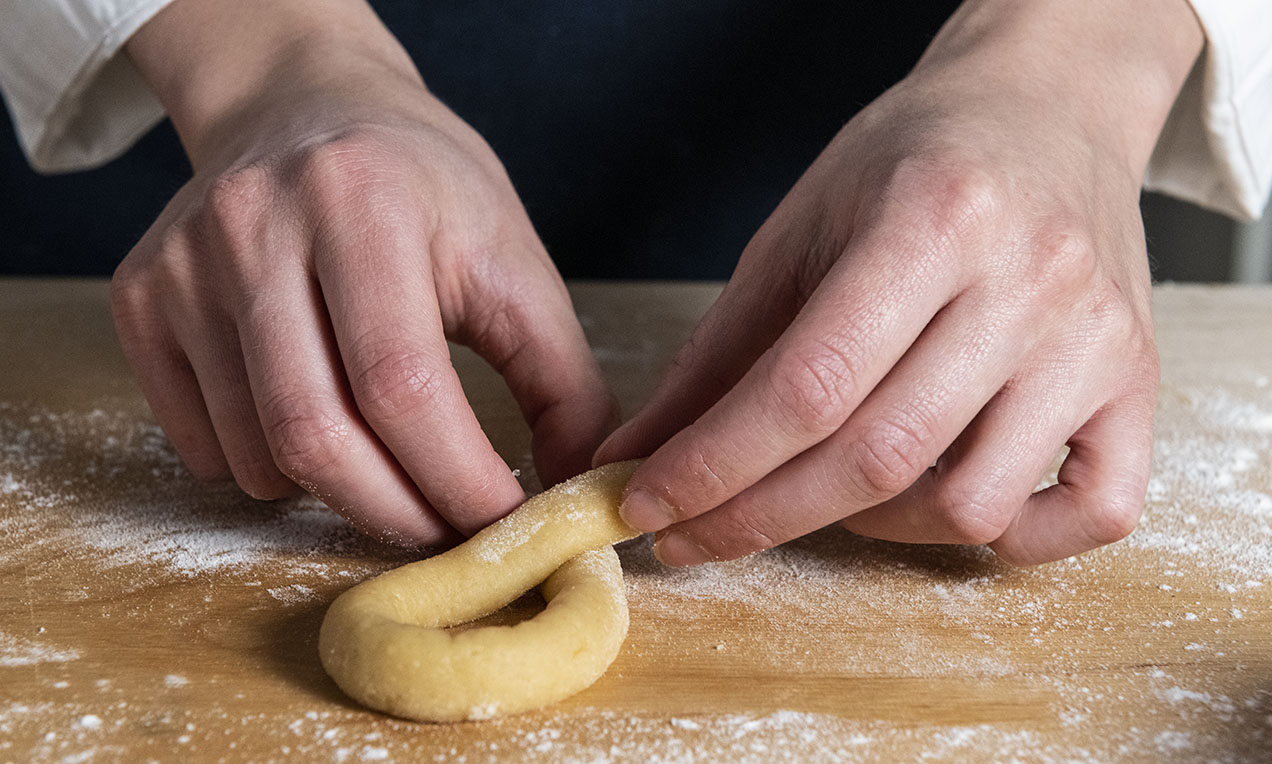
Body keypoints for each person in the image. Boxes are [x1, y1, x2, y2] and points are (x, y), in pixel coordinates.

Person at [3, 0, 1269, 565]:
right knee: (271, 363)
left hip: (908, 182)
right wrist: (259, 50)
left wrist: (1075, 65)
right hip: (220, 224)